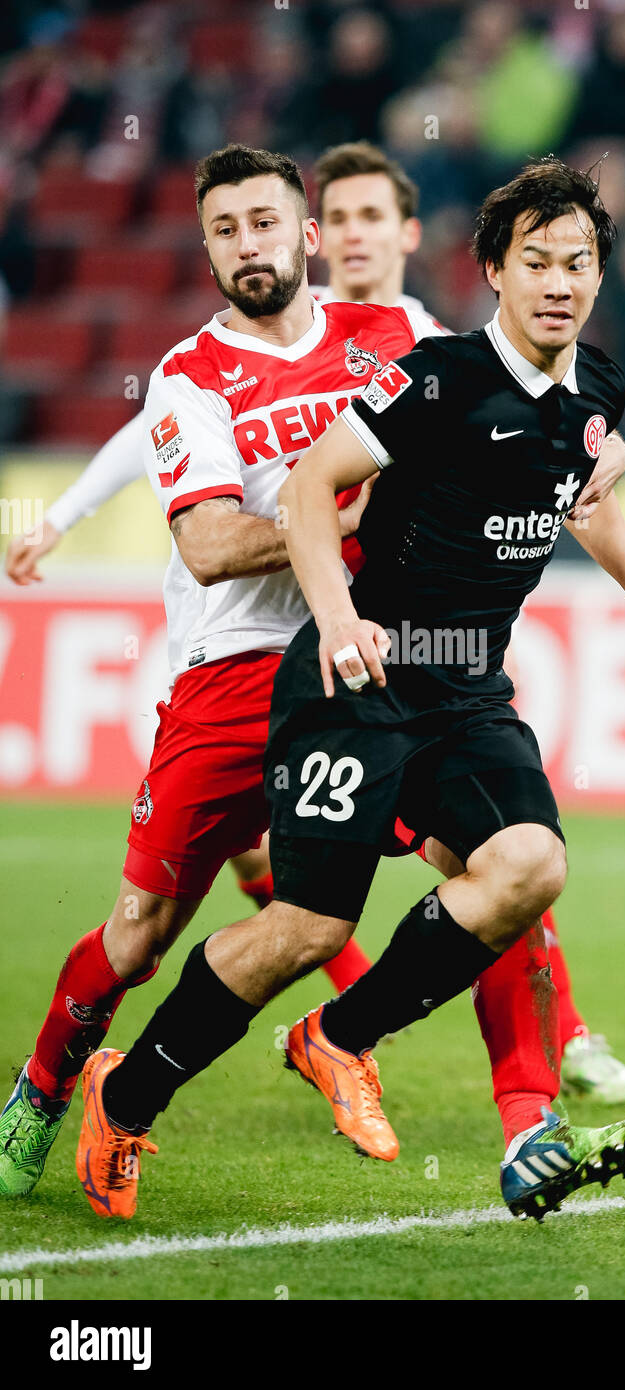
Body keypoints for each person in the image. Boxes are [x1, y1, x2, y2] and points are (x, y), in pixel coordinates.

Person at [77, 157, 625, 1222]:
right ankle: (127, 1091)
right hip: (356, 686)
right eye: (535, 262)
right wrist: (335, 620)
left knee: (528, 866)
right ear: (492, 272)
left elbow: (580, 492)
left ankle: (337, 1036)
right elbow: (304, 485)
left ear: (598, 276)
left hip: (467, 692)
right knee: (307, 931)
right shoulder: (435, 377)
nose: (558, 281)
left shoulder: (596, 386)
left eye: (577, 263)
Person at [0, 143, 431, 1201]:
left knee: (497, 859)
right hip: (231, 672)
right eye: (226, 229)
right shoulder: (191, 376)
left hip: (356, 665)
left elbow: (489, 413)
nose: (249, 244)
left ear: (309, 235)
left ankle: (388, 1053)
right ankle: (47, 1085)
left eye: (266, 223)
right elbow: (207, 546)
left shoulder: (396, 335)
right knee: (139, 934)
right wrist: (349, 516)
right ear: (205, 248)